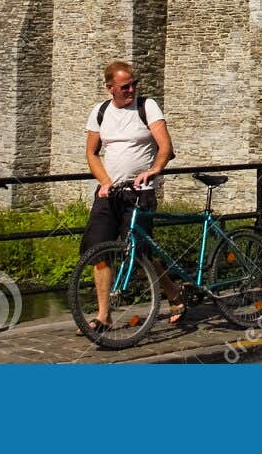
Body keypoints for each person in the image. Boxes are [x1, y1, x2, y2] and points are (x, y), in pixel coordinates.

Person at [78, 61, 174, 335]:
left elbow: (165, 146)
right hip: (109, 193)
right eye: (125, 86)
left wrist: (154, 170)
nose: (131, 89)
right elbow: (91, 153)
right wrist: (105, 182)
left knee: (141, 252)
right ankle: (104, 315)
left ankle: (174, 293)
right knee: (98, 250)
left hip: (139, 193)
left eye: (134, 83)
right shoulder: (99, 112)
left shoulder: (147, 106)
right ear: (110, 89)